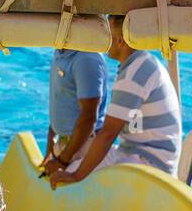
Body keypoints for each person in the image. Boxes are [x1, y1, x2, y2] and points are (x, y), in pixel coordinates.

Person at [49, 15, 181, 186]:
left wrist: (76, 177)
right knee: (75, 169)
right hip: (143, 153)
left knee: (68, 180)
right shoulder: (143, 62)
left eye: (108, 35)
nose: (103, 41)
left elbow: (107, 135)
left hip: (149, 162)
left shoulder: (133, 75)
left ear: (120, 41)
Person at [41, 45, 109, 180]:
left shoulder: (86, 59)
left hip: (82, 148)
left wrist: (62, 160)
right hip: (67, 145)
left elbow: (89, 117)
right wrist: (52, 134)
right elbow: (62, 97)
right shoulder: (62, 51)